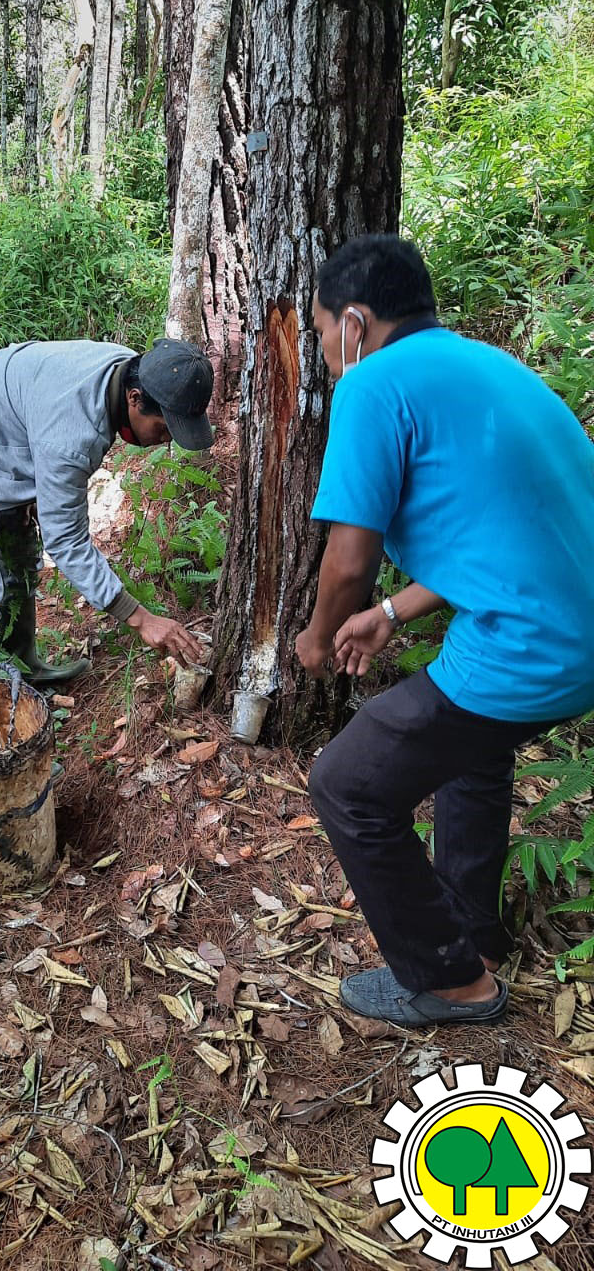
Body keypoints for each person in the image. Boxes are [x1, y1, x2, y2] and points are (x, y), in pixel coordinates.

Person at [295, 233, 594, 1027]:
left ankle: (453, 982)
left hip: (531, 648)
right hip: (576, 630)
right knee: (474, 755)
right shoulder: (487, 368)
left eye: (322, 328)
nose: (323, 348)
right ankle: (472, 934)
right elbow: (502, 533)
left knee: (347, 784)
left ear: (354, 323)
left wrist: (319, 638)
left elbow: (348, 558)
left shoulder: (374, 385)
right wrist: (392, 613)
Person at [0, 337, 215, 681]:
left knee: (19, 558)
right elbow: (67, 542)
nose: (166, 440)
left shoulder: (126, 369)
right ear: (134, 399)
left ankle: (24, 668)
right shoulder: (73, 434)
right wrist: (142, 619)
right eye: (165, 428)